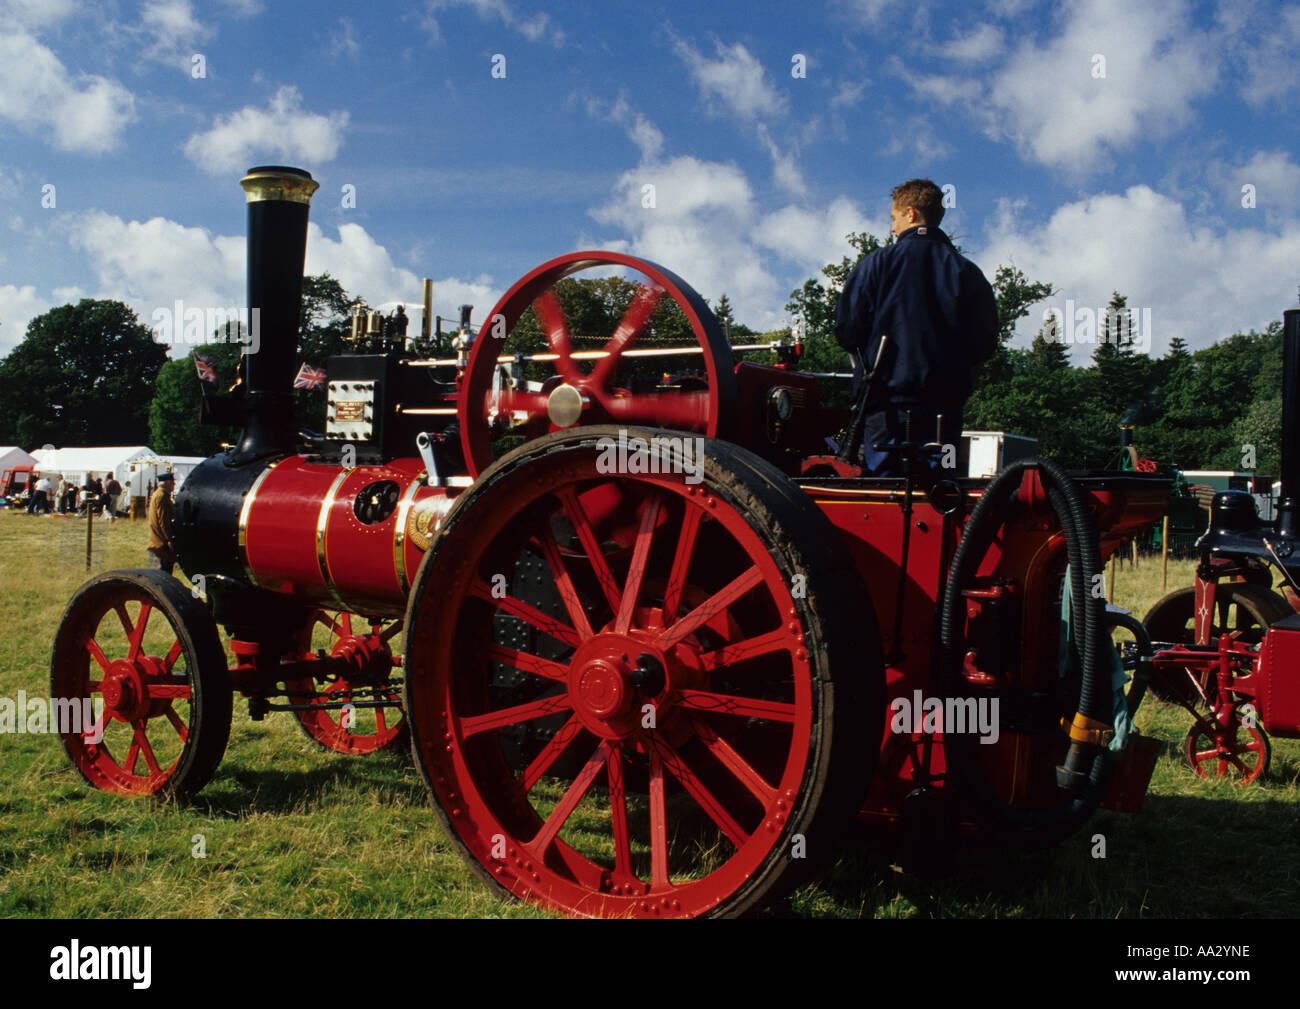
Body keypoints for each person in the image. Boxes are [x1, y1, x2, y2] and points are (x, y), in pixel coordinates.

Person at [834, 178, 999, 477]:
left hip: (885, 409)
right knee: (943, 491)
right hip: (945, 412)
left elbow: (847, 329)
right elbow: (985, 342)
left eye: (893, 218)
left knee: (881, 493)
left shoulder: (875, 265)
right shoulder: (968, 273)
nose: (891, 227)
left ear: (910, 213)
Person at [146, 471, 176, 574]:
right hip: (161, 542)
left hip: (160, 540)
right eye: (172, 482)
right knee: (164, 573)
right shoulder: (162, 496)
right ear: (167, 483)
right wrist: (169, 539)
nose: (174, 484)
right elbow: (164, 521)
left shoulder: (159, 494)